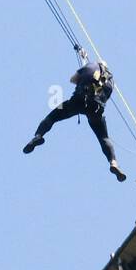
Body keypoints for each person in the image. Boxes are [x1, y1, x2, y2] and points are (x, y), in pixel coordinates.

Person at [23, 52, 126, 182]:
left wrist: (83, 72)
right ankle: (113, 162)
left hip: (77, 102)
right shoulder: (111, 81)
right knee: (104, 137)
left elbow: (73, 80)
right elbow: (105, 98)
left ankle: (38, 136)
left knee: (52, 117)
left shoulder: (91, 66)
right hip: (95, 110)